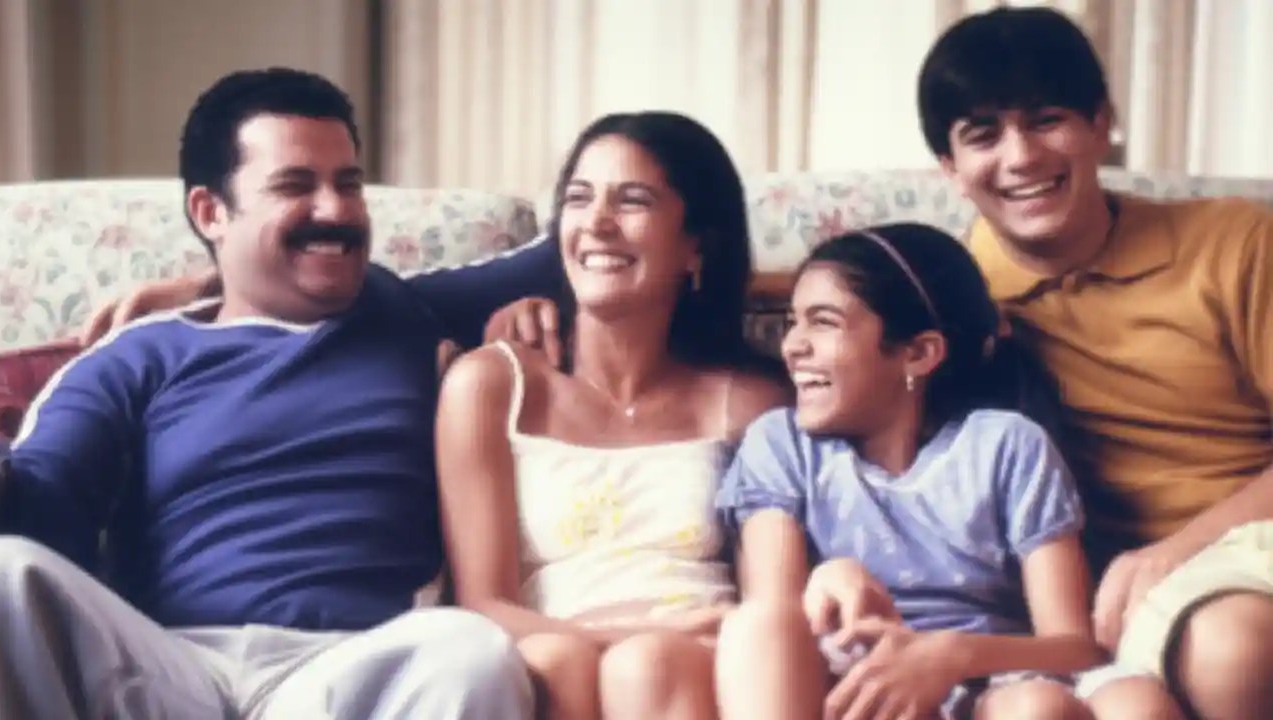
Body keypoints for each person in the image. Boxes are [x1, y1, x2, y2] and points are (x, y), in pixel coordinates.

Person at [0, 67, 575, 719]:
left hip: (359, 671)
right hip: (168, 673)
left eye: (348, 185)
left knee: (471, 651)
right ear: (211, 212)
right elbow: (41, 512)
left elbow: (577, 252)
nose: (334, 211)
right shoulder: (136, 355)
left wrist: (212, 274)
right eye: (296, 186)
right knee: (3, 575)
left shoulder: (401, 310)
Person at [918, 7, 1273, 718]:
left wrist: (1176, 550)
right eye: (983, 135)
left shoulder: (1236, 242)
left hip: (1244, 538)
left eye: (1047, 119)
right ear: (951, 170)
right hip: (1105, 594)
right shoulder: (952, 302)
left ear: (1100, 126)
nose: (1020, 156)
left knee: (1234, 648)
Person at [710, 224, 1181, 720]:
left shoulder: (1005, 445)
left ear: (918, 353)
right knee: (766, 627)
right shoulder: (781, 445)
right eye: (792, 323)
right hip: (846, 672)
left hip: (991, 675)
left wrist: (951, 655)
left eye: (822, 322)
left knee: (1109, 706)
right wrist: (829, 576)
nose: (792, 346)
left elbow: (1075, 646)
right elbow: (771, 622)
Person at [434, 111, 787, 720]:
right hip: (550, 663)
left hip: (702, 675)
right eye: (578, 198)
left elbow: (770, 608)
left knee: (651, 667)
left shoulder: (752, 405)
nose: (597, 223)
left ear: (696, 243)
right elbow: (481, 603)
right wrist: (618, 641)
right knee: (565, 659)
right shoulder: (491, 385)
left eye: (633, 200)